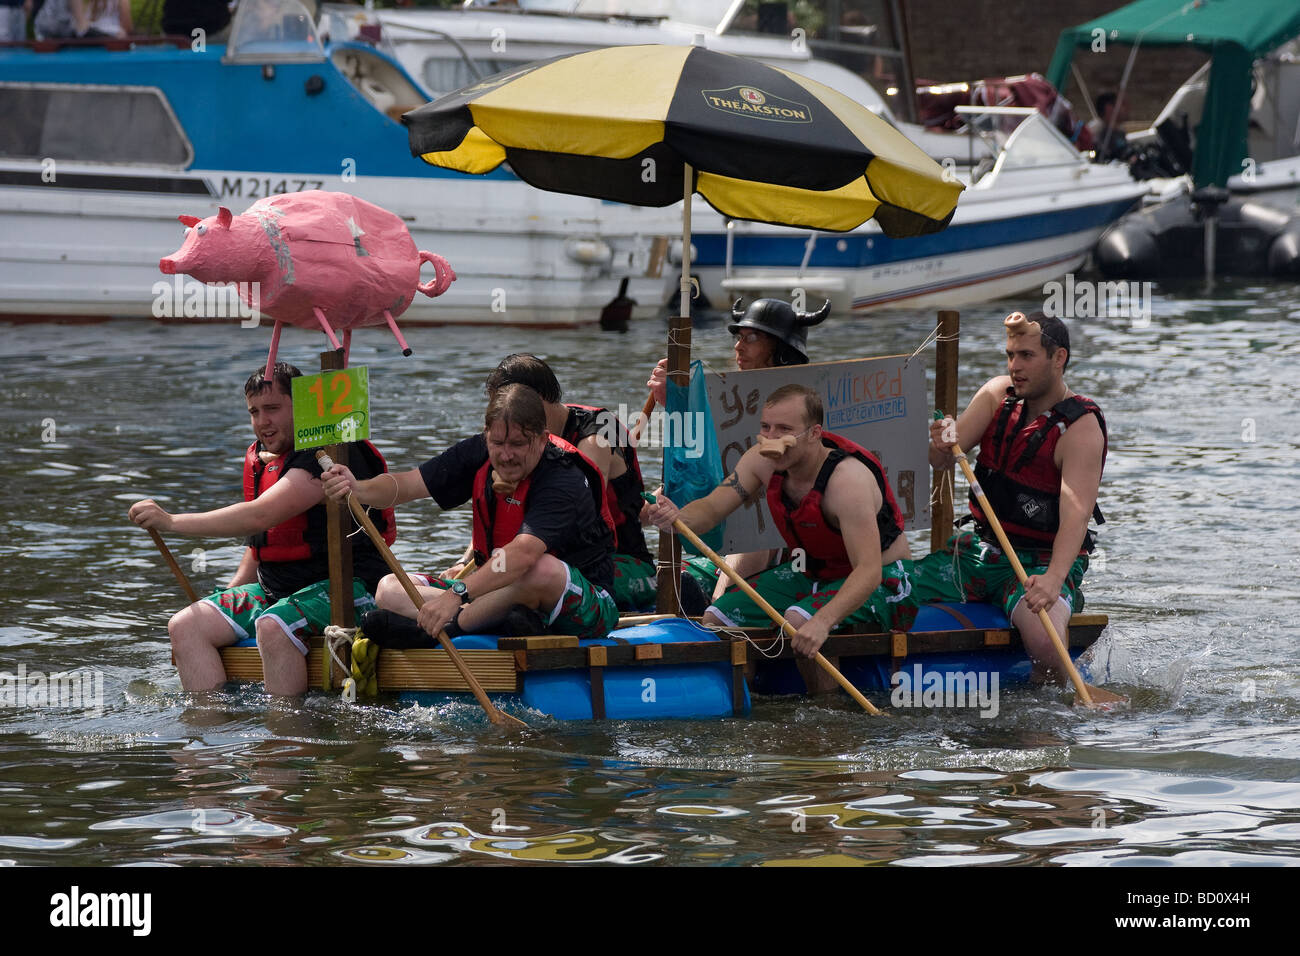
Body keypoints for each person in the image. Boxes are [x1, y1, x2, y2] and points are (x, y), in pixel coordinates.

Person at [128, 363, 396, 696]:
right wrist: (224, 598)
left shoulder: (330, 455)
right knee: (186, 625)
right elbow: (262, 544)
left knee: (273, 626)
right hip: (278, 591)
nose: (261, 422)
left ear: (300, 407)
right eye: (254, 411)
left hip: (353, 590)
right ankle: (207, 736)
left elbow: (260, 516)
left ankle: (282, 738)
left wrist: (170, 522)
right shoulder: (264, 458)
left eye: (272, 409)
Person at [643, 384, 914, 693]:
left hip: (884, 578)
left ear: (814, 433)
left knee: (800, 621)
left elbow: (868, 570)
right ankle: (738, 715)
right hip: (814, 571)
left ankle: (827, 719)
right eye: (765, 428)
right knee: (718, 617)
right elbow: (712, 507)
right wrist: (677, 519)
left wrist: (821, 621)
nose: (771, 439)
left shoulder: (847, 483)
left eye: (784, 429)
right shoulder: (761, 460)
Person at [321, 384, 619, 643]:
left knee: (541, 569)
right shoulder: (477, 452)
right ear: (486, 435)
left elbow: (523, 553)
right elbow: (408, 484)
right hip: (498, 593)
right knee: (389, 589)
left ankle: (449, 627)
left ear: (542, 439)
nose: (505, 455)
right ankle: (493, 618)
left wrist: (455, 596)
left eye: (518, 444)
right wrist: (356, 487)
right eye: (498, 443)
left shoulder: (562, 478)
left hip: (583, 601)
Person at [919, 311, 1118, 697]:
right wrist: (940, 443)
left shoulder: (1081, 428)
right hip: (981, 553)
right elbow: (942, 459)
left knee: (1044, 643)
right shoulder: (996, 395)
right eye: (1010, 355)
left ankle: (1051, 706)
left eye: (1026, 356)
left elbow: (1075, 515)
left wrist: (1053, 581)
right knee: (889, 586)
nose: (1014, 367)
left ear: (1058, 358)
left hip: (1043, 563)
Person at [646, 297, 830, 609]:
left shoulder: (808, 404)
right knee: (655, 527)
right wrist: (676, 402)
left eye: (753, 339)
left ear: (781, 348)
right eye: (739, 338)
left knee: (749, 550)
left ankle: (718, 611)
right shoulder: (729, 398)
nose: (739, 348)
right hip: (730, 510)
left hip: (781, 536)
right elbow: (710, 463)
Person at [471, 354, 655, 612]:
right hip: (547, 556)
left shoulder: (596, 437)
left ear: (536, 399)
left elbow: (572, 521)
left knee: (525, 576)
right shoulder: (520, 438)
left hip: (617, 563)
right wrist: (472, 558)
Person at [1087, 92, 1130, 163]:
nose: (1128, 108)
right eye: (1123, 104)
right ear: (1109, 108)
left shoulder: (1119, 130)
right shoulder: (1096, 132)